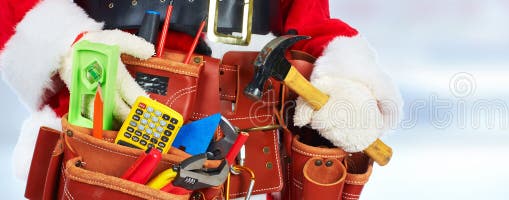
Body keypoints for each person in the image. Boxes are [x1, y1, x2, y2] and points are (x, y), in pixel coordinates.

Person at [0, 0, 402, 189]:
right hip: (101, 138)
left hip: (243, 143)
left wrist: (346, 79)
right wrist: (70, 46)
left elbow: (310, 22)